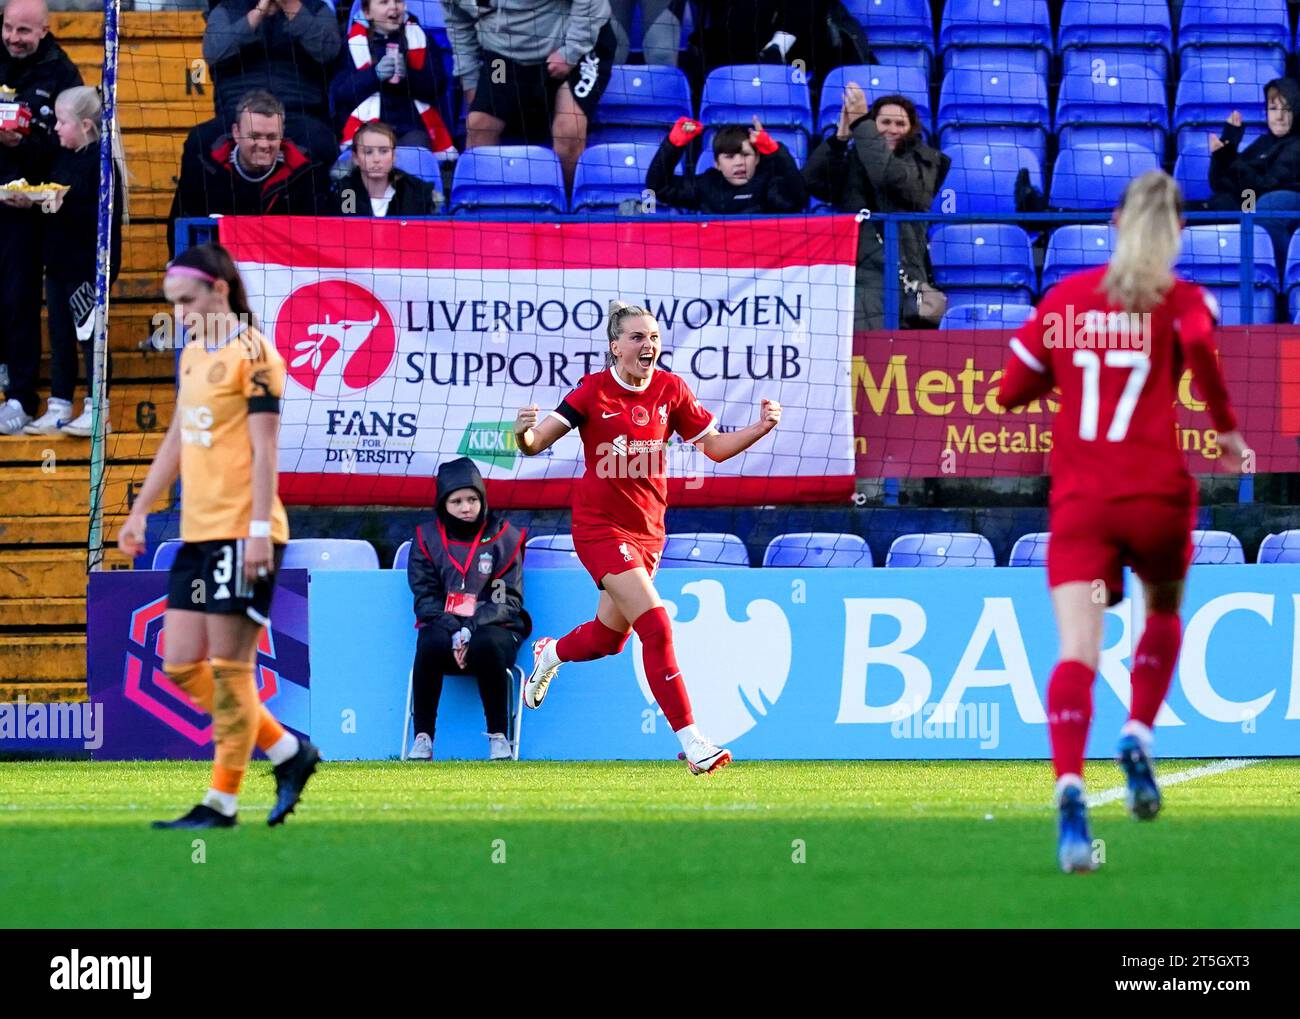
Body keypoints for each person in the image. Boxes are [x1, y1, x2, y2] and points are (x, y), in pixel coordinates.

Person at [994, 171, 1248, 874]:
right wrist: (1225, 433)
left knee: (1077, 651)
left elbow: (1010, 391)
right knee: (1161, 610)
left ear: (1112, 223)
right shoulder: (1184, 301)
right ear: (1180, 233)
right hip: (1158, 493)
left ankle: (1072, 795)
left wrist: (1065, 373)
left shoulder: (1066, 301)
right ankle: (1138, 729)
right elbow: (1203, 355)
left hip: (1084, 501)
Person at [512, 301, 782, 774]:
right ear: (615, 347)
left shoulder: (670, 389)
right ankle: (693, 743)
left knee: (606, 641)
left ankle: (549, 652)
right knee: (656, 624)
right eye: (637, 337)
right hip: (599, 529)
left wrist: (760, 427)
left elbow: (715, 449)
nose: (648, 345)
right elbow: (537, 443)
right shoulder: (592, 391)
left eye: (653, 337)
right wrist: (522, 435)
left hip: (648, 533)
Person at [116, 242, 321, 829]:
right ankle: (287, 750)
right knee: (180, 662)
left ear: (218, 290)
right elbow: (179, 437)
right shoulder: (193, 354)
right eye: (172, 304)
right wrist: (140, 510)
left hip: (243, 532)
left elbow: (266, 450)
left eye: (185, 301)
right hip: (198, 535)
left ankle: (222, 802)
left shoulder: (255, 355)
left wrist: (258, 531)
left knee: (231, 669)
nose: (178, 313)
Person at [16, 86, 124, 437]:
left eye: (63, 122)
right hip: (58, 264)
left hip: (88, 267)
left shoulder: (102, 162)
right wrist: (30, 200)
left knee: (91, 336)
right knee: (60, 336)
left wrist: (65, 203)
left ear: (87, 126)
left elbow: (103, 217)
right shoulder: (62, 155)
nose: (57, 128)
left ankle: (97, 409)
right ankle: (60, 403)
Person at [406, 456, 531, 761]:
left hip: (494, 631)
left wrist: (469, 629)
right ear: (443, 504)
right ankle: (423, 738)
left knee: (487, 642)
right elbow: (425, 600)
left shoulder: (505, 537)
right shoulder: (426, 539)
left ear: (482, 499)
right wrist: (453, 631)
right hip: (447, 630)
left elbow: (507, 601)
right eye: (457, 501)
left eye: (473, 499)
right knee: (429, 640)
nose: (466, 507)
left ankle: (499, 738)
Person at [804, 86, 950, 331]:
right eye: (884, 122)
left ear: (911, 128)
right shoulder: (854, 160)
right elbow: (812, 182)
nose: (892, 129)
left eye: (899, 124)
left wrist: (862, 123)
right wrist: (840, 138)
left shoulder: (926, 161)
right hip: (857, 271)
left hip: (901, 269)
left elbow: (886, 175)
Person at [0, 0, 82, 435]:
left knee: (18, 300)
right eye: (9, 28)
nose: (14, 38)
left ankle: (20, 396)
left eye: (24, 32)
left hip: (23, 209)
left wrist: (19, 147)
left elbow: (68, 147)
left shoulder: (62, 73)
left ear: (45, 30)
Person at [445, 0, 616, 189]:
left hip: (572, 47)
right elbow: (459, 27)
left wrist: (570, 52)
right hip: (502, 59)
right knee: (479, 125)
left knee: (568, 129)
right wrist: (471, 83)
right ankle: (483, 205)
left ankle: (568, 206)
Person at [167, 90, 332, 255]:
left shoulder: (306, 174)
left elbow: (318, 239)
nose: (263, 144)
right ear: (236, 133)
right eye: (254, 136)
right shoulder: (203, 171)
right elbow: (180, 228)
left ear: (282, 134)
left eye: (271, 137)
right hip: (220, 270)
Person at [201, 0, 341, 163]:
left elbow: (329, 51)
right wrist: (258, 13)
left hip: (299, 114)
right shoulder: (227, 8)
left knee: (323, 143)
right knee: (200, 141)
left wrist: (292, 8)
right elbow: (213, 52)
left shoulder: (316, 8)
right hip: (237, 114)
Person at [331, 0, 456, 159]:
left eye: (398, 1)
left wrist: (408, 76)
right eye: (384, 2)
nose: (393, 7)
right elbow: (341, 93)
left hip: (412, 128)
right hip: (367, 129)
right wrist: (374, 75)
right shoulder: (351, 44)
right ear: (367, 13)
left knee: (416, 151)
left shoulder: (421, 38)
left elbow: (437, 86)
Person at [1209, 76, 1300, 276]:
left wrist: (1229, 157)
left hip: (1283, 199)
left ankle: (1273, 281)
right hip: (1254, 199)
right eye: (1273, 109)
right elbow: (1223, 183)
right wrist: (1226, 146)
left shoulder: (1296, 145)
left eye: (1287, 109)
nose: (1279, 117)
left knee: (1266, 205)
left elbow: (1266, 185)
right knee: (1222, 202)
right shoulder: (1263, 143)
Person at [645, 115, 807, 213]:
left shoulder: (768, 182)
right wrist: (672, 145)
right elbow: (658, 188)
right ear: (717, 163)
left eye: (746, 155)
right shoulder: (707, 184)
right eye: (729, 157)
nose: (739, 163)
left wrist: (775, 152)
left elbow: (797, 199)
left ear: (757, 158)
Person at [333, 119, 442, 215]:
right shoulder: (345, 192)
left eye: (384, 151)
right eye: (368, 152)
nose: (376, 159)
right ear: (355, 158)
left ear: (393, 156)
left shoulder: (418, 193)